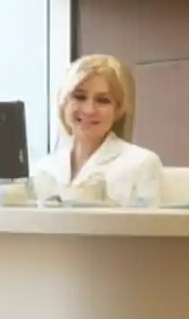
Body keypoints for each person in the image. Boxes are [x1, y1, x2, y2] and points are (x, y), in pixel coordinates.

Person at [30, 54, 163, 207]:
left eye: (102, 101)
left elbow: (147, 222)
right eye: (79, 97)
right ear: (63, 103)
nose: (89, 110)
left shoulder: (142, 164)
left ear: (118, 110)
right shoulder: (44, 168)